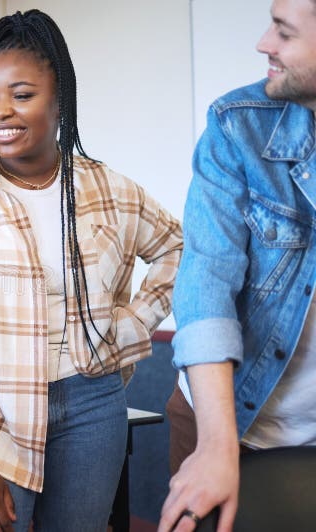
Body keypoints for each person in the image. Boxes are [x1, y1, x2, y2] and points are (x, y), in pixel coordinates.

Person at [0, 9, 183, 532]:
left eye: (22, 94)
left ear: (61, 101)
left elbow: (178, 248)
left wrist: (131, 323)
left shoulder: (109, 190)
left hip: (93, 404)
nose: (0, 112)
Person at [160, 1, 316, 530]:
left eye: (285, 32)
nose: (264, 43)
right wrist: (217, 445)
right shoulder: (237, 126)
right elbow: (205, 283)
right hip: (224, 419)